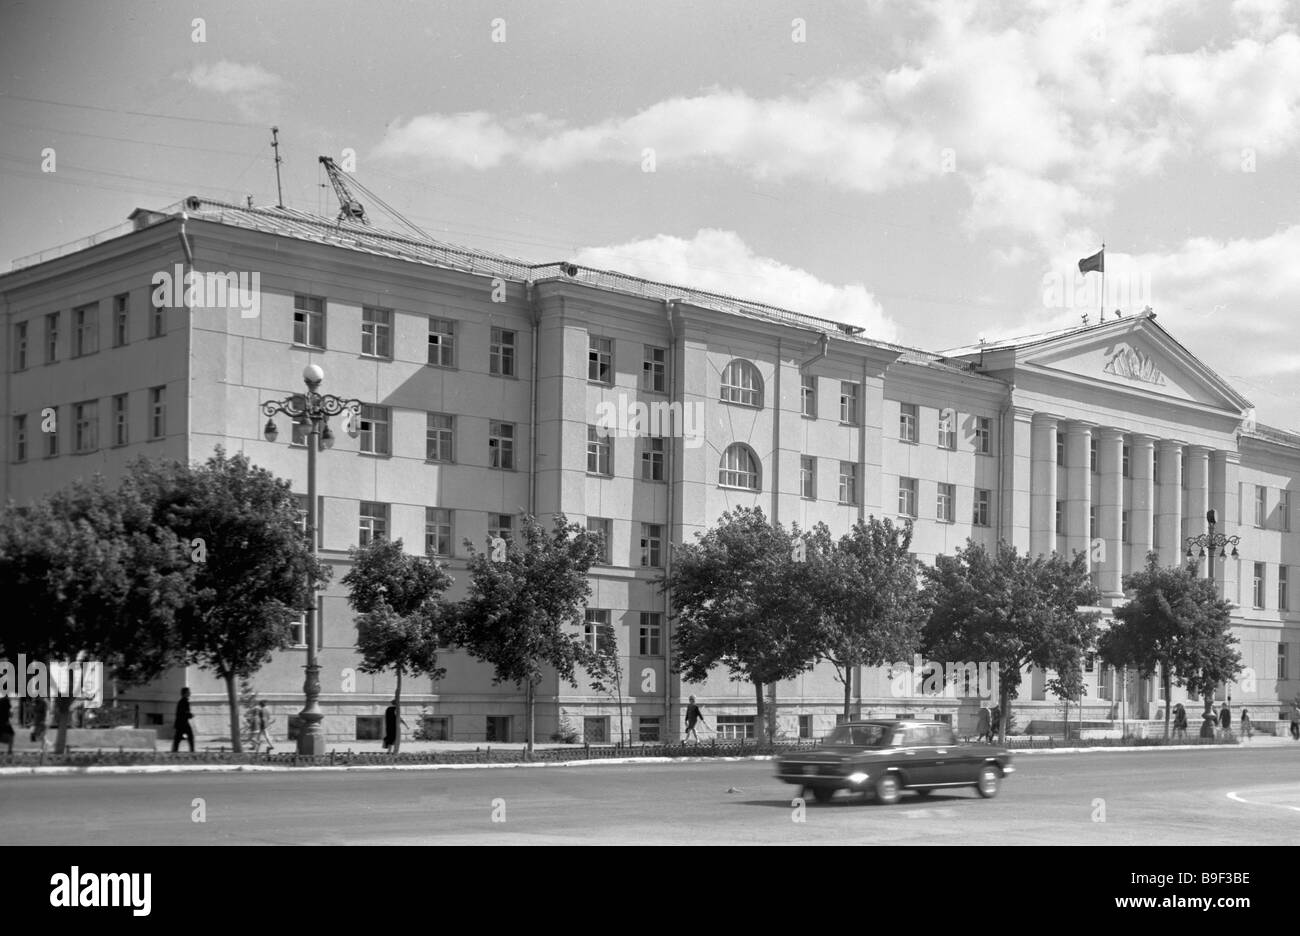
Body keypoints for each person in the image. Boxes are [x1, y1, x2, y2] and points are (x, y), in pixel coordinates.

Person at [172, 687, 195, 753]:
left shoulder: (182, 701)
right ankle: (192, 750)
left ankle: (175, 750)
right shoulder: (184, 702)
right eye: (188, 692)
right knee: (189, 737)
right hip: (183, 723)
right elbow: (184, 712)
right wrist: (190, 715)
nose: (190, 693)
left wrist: (189, 715)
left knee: (178, 738)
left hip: (181, 723)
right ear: (185, 693)